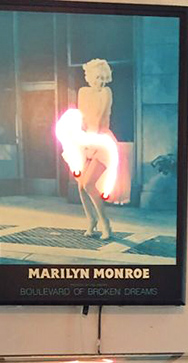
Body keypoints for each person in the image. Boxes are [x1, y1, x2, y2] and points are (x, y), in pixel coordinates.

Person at [76, 58, 114, 240]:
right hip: (86, 140)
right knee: (80, 186)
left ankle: (105, 223)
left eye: (103, 77)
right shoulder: (83, 92)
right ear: (89, 77)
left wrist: (91, 144)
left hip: (102, 141)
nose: (100, 81)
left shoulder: (106, 92)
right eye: (97, 77)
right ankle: (91, 220)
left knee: (89, 184)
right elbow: (82, 118)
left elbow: (98, 120)